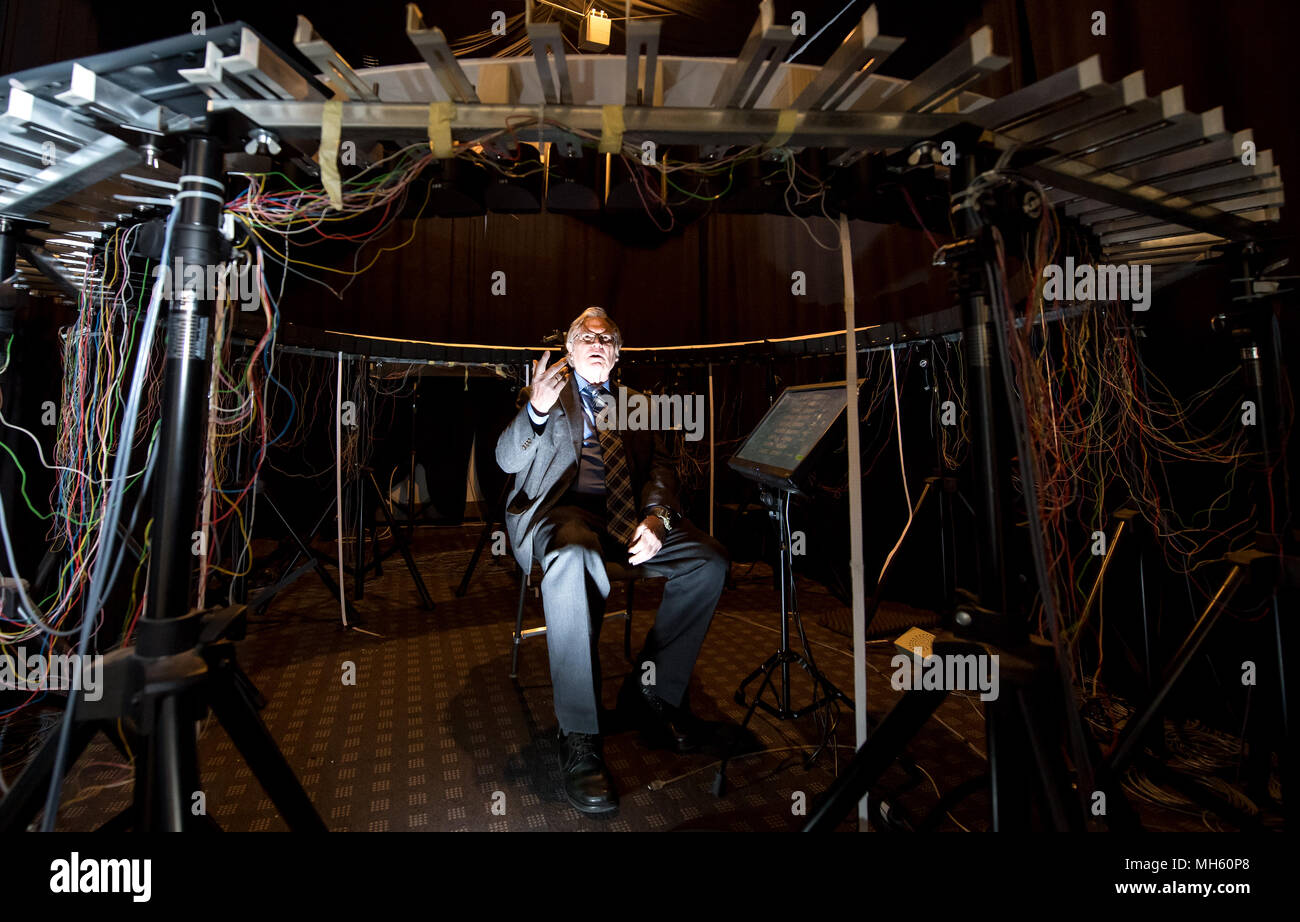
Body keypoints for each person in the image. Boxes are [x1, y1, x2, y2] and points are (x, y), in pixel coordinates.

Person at [495, 306, 728, 814]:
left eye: (607, 337)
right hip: (563, 516)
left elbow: (663, 470)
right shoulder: (545, 394)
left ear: (618, 353)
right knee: (574, 554)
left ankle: (654, 694)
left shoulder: (640, 404)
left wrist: (659, 519)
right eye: (586, 336)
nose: (597, 342)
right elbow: (508, 460)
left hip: (628, 523)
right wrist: (534, 409)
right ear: (569, 349)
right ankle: (579, 736)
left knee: (708, 560)